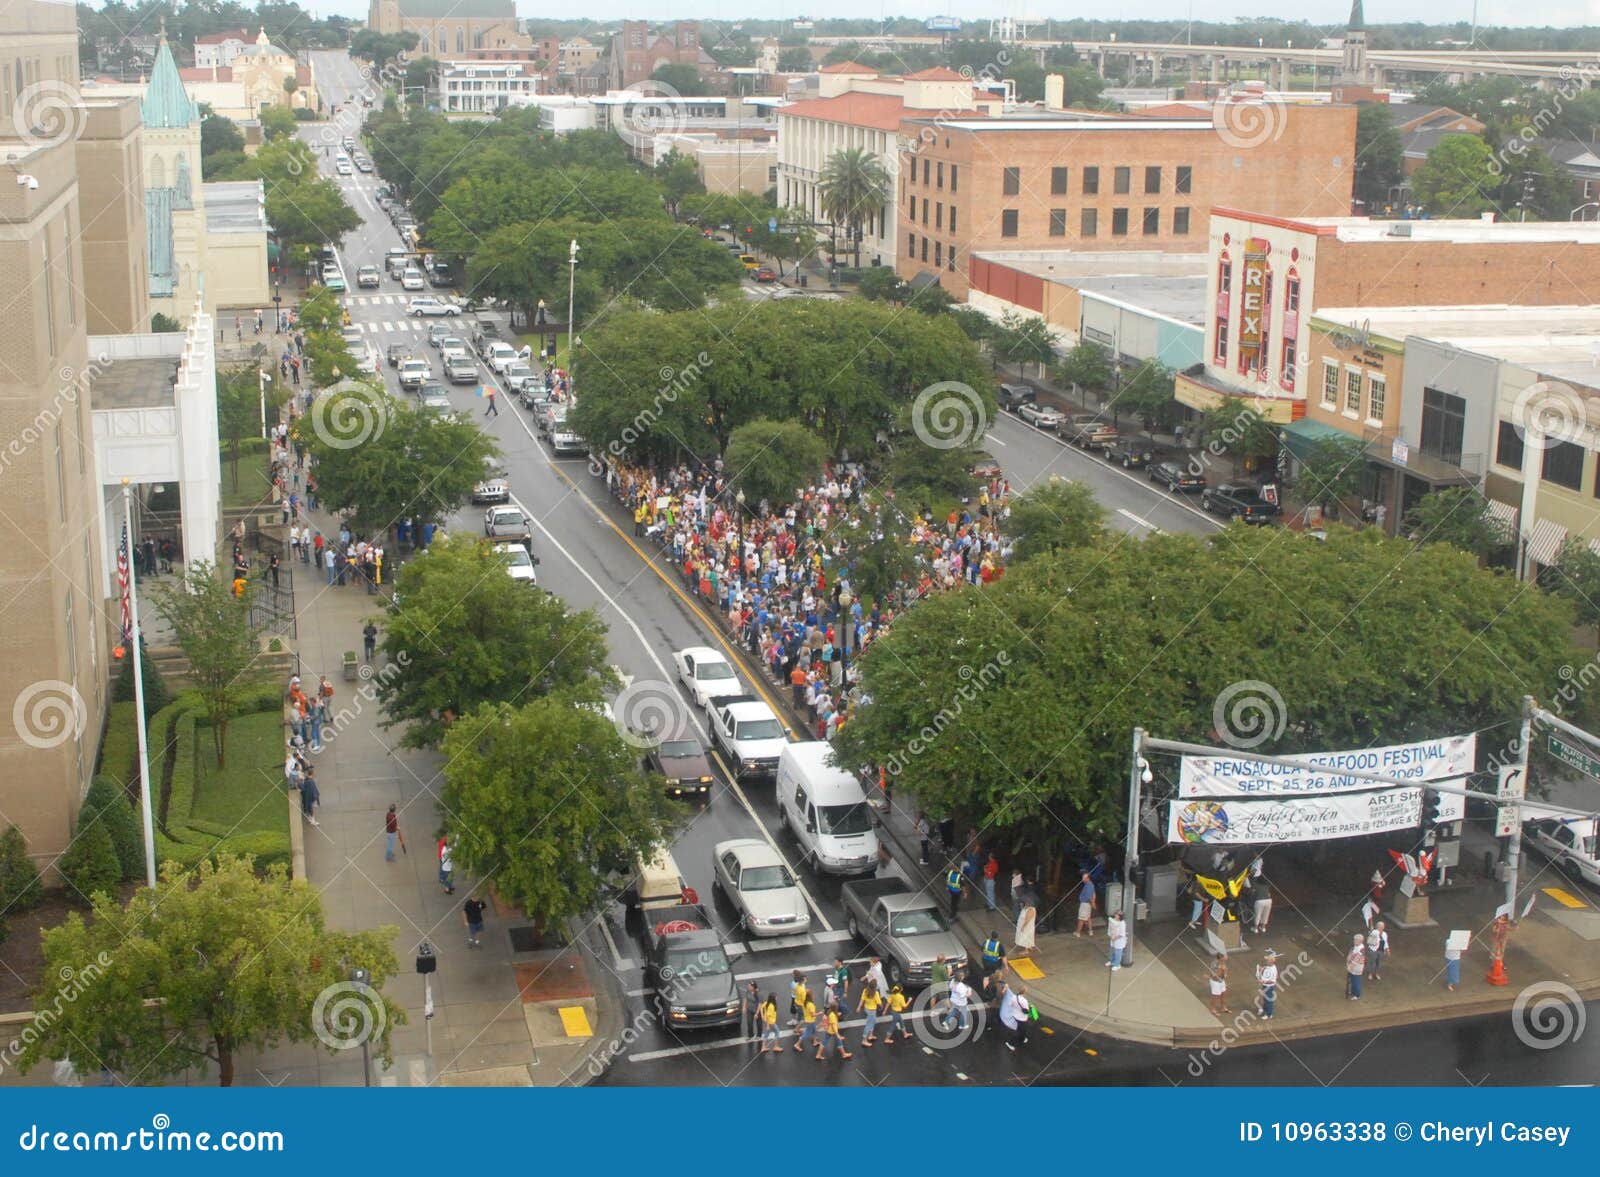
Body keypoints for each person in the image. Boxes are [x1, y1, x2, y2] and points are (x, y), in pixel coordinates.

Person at [999, 983, 1032, 1051]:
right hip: (1022, 1018)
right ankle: (1010, 1043)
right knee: (1020, 1031)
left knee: (1022, 1030)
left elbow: (1011, 1004)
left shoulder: (1013, 997)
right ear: (1025, 992)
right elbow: (1027, 1011)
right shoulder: (1024, 1001)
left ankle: (1022, 1038)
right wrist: (1031, 1007)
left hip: (1015, 1016)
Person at [856, 980, 882, 1047]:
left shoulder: (865, 990)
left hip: (866, 1009)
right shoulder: (875, 993)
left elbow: (862, 1000)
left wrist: (859, 1007)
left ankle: (870, 1035)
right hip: (872, 1011)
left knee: (872, 1022)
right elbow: (879, 1003)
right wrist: (881, 1007)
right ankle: (864, 1040)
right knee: (869, 1024)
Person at [1255, 949, 1279, 1019]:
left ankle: (1269, 1014)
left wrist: (1264, 982)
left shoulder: (1273, 969)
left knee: (1268, 1000)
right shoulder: (1269, 967)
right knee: (1265, 1000)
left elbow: (1273, 981)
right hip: (1266, 986)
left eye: (1268, 960)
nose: (1266, 961)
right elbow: (1266, 969)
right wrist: (1261, 969)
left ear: (1271, 961)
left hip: (1268, 987)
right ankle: (1266, 1011)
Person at [1074, 871, 1097, 937]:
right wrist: (1093, 902)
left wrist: (1093, 903)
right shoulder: (1090, 884)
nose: (1082, 879)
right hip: (1087, 904)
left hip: (1085, 904)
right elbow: (1094, 894)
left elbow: (1089, 897)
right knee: (1088, 918)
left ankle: (1077, 933)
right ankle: (1090, 931)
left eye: (1084, 878)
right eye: (1082, 877)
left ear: (1088, 878)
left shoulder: (1089, 885)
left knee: (1081, 919)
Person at [1346, 934, 1366, 1000]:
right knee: (1352, 980)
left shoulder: (1361, 949)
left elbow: (1356, 959)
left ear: (1360, 941)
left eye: (1355, 940)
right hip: (1353, 966)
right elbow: (1352, 952)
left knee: (1356, 981)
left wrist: (1350, 966)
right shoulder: (1356, 946)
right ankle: (1352, 992)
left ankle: (1356, 995)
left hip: (1357, 967)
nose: (1354, 941)